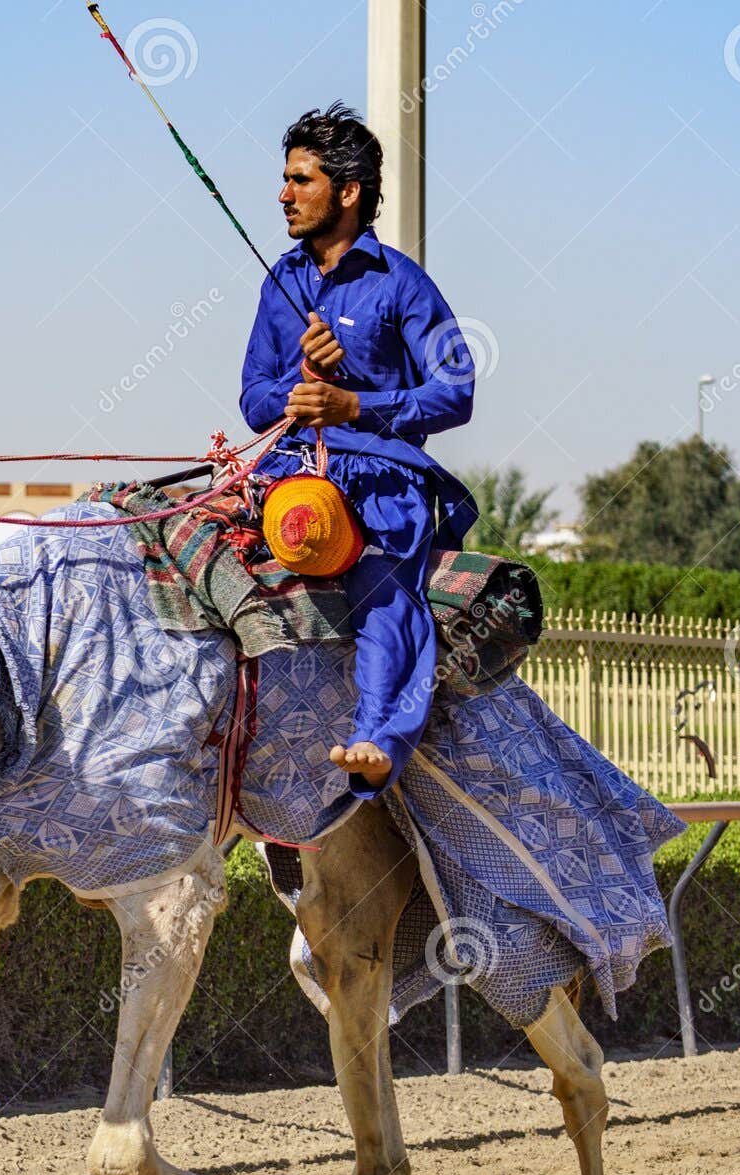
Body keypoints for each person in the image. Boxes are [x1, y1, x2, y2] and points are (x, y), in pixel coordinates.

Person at [240, 101, 477, 797]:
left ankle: (379, 738)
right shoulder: (278, 282)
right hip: (289, 472)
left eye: (300, 180)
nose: (284, 194)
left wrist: (357, 404)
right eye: (285, 179)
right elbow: (253, 396)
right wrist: (299, 386)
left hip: (382, 479)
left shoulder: (402, 283)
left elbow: (456, 393)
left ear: (347, 192)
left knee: (385, 594)